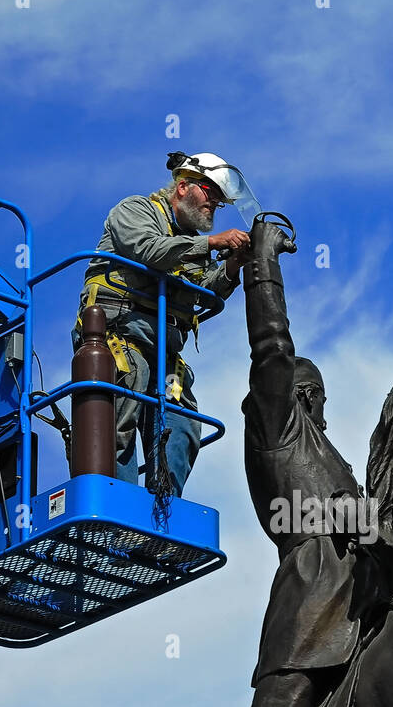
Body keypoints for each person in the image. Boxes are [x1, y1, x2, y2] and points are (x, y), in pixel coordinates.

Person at [210, 215, 385, 707]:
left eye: (315, 394)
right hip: (311, 614)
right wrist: (262, 263)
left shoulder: (338, 463)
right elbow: (272, 345)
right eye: (302, 390)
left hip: (373, 612)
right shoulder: (278, 433)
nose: (312, 399)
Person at [72, 152, 257, 496]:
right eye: (208, 190)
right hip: (119, 336)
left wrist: (233, 267)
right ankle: (118, 513)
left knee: (182, 424)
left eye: (220, 199)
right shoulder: (135, 210)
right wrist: (211, 243)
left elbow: (203, 294)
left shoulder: (189, 242)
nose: (214, 203)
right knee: (117, 422)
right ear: (183, 186)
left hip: (164, 352)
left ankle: (161, 518)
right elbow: (148, 250)